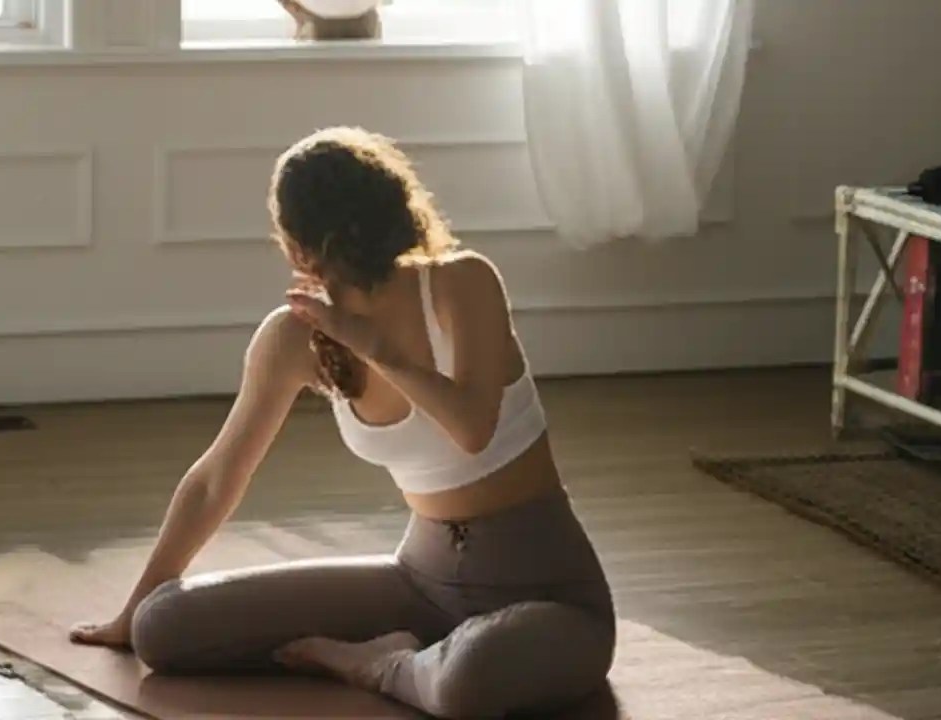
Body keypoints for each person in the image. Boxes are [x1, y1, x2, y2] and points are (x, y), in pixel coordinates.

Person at [70, 127, 616, 719]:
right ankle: (418, 662)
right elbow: (216, 478)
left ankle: (382, 666)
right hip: (420, 585)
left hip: (552, 597)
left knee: (470, 679)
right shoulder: (293, 337)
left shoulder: (463, 282)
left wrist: (372, 346)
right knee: (163, 627)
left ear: (298, 246)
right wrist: (131, 610)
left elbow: (471, 429)